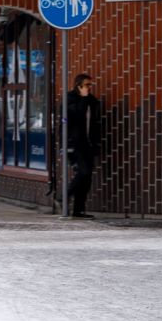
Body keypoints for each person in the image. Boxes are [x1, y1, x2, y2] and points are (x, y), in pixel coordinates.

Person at [64, 73, 104, 217]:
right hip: (74, 144)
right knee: (83, 172)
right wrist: (83, 98)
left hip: (88, 144)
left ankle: (78, 210)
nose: (90, 87)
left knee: (87, 179)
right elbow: (76, 115)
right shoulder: (70, 99)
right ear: (78, 86)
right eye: (87, 85)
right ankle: (62, 197)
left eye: (90, 85)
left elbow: (95, 122)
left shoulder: (91, 100)